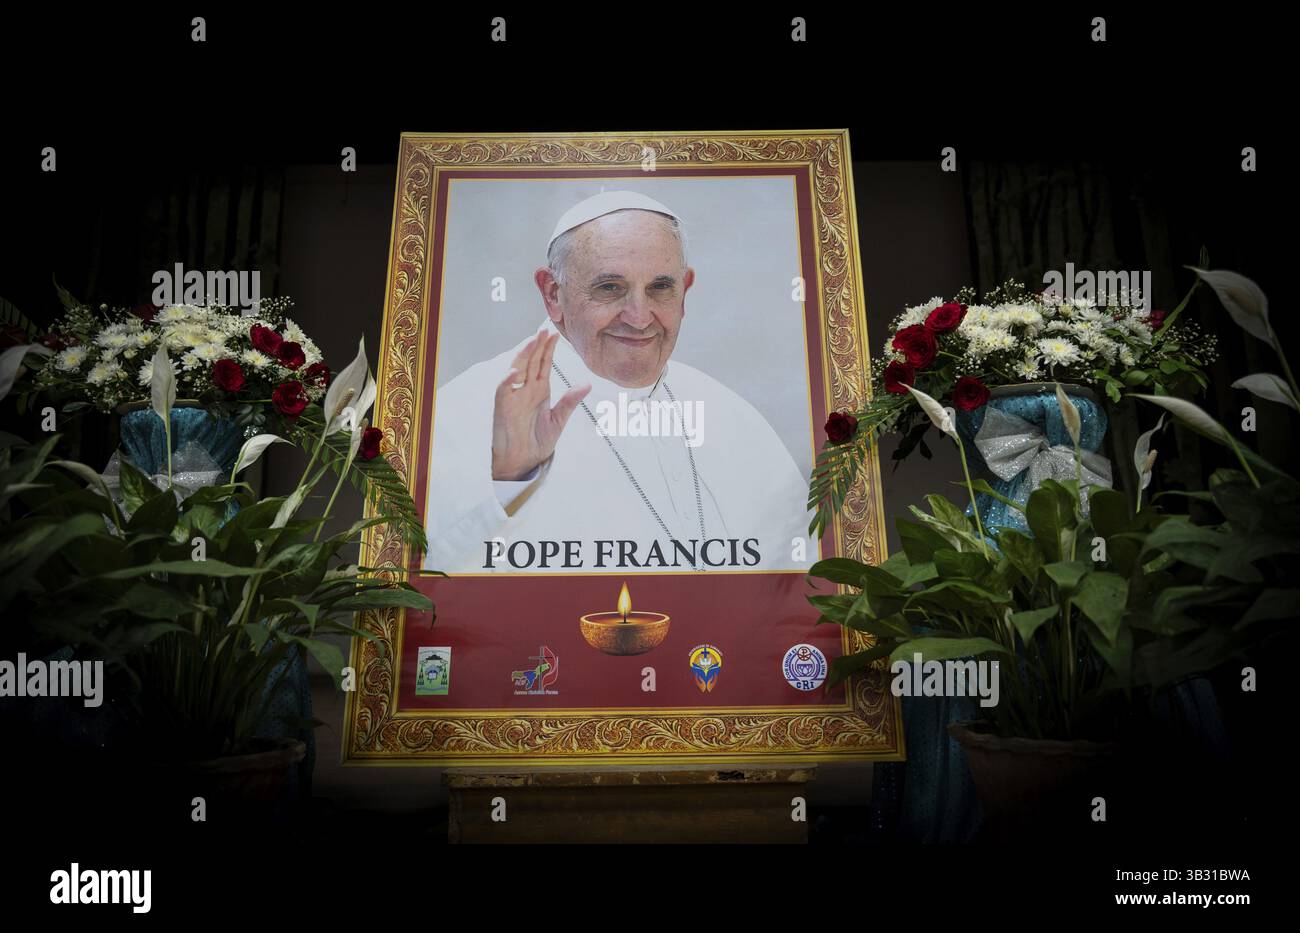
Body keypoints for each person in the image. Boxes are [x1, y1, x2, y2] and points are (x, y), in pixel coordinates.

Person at [423, 190, 811, 573]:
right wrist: (508, 481)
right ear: (553, 293)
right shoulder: (471, 405)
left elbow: (801, 576)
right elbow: (413, 585)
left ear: (684, 291)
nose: (639, 317)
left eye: (660, 288)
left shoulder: (730, 414)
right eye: (610, 288)